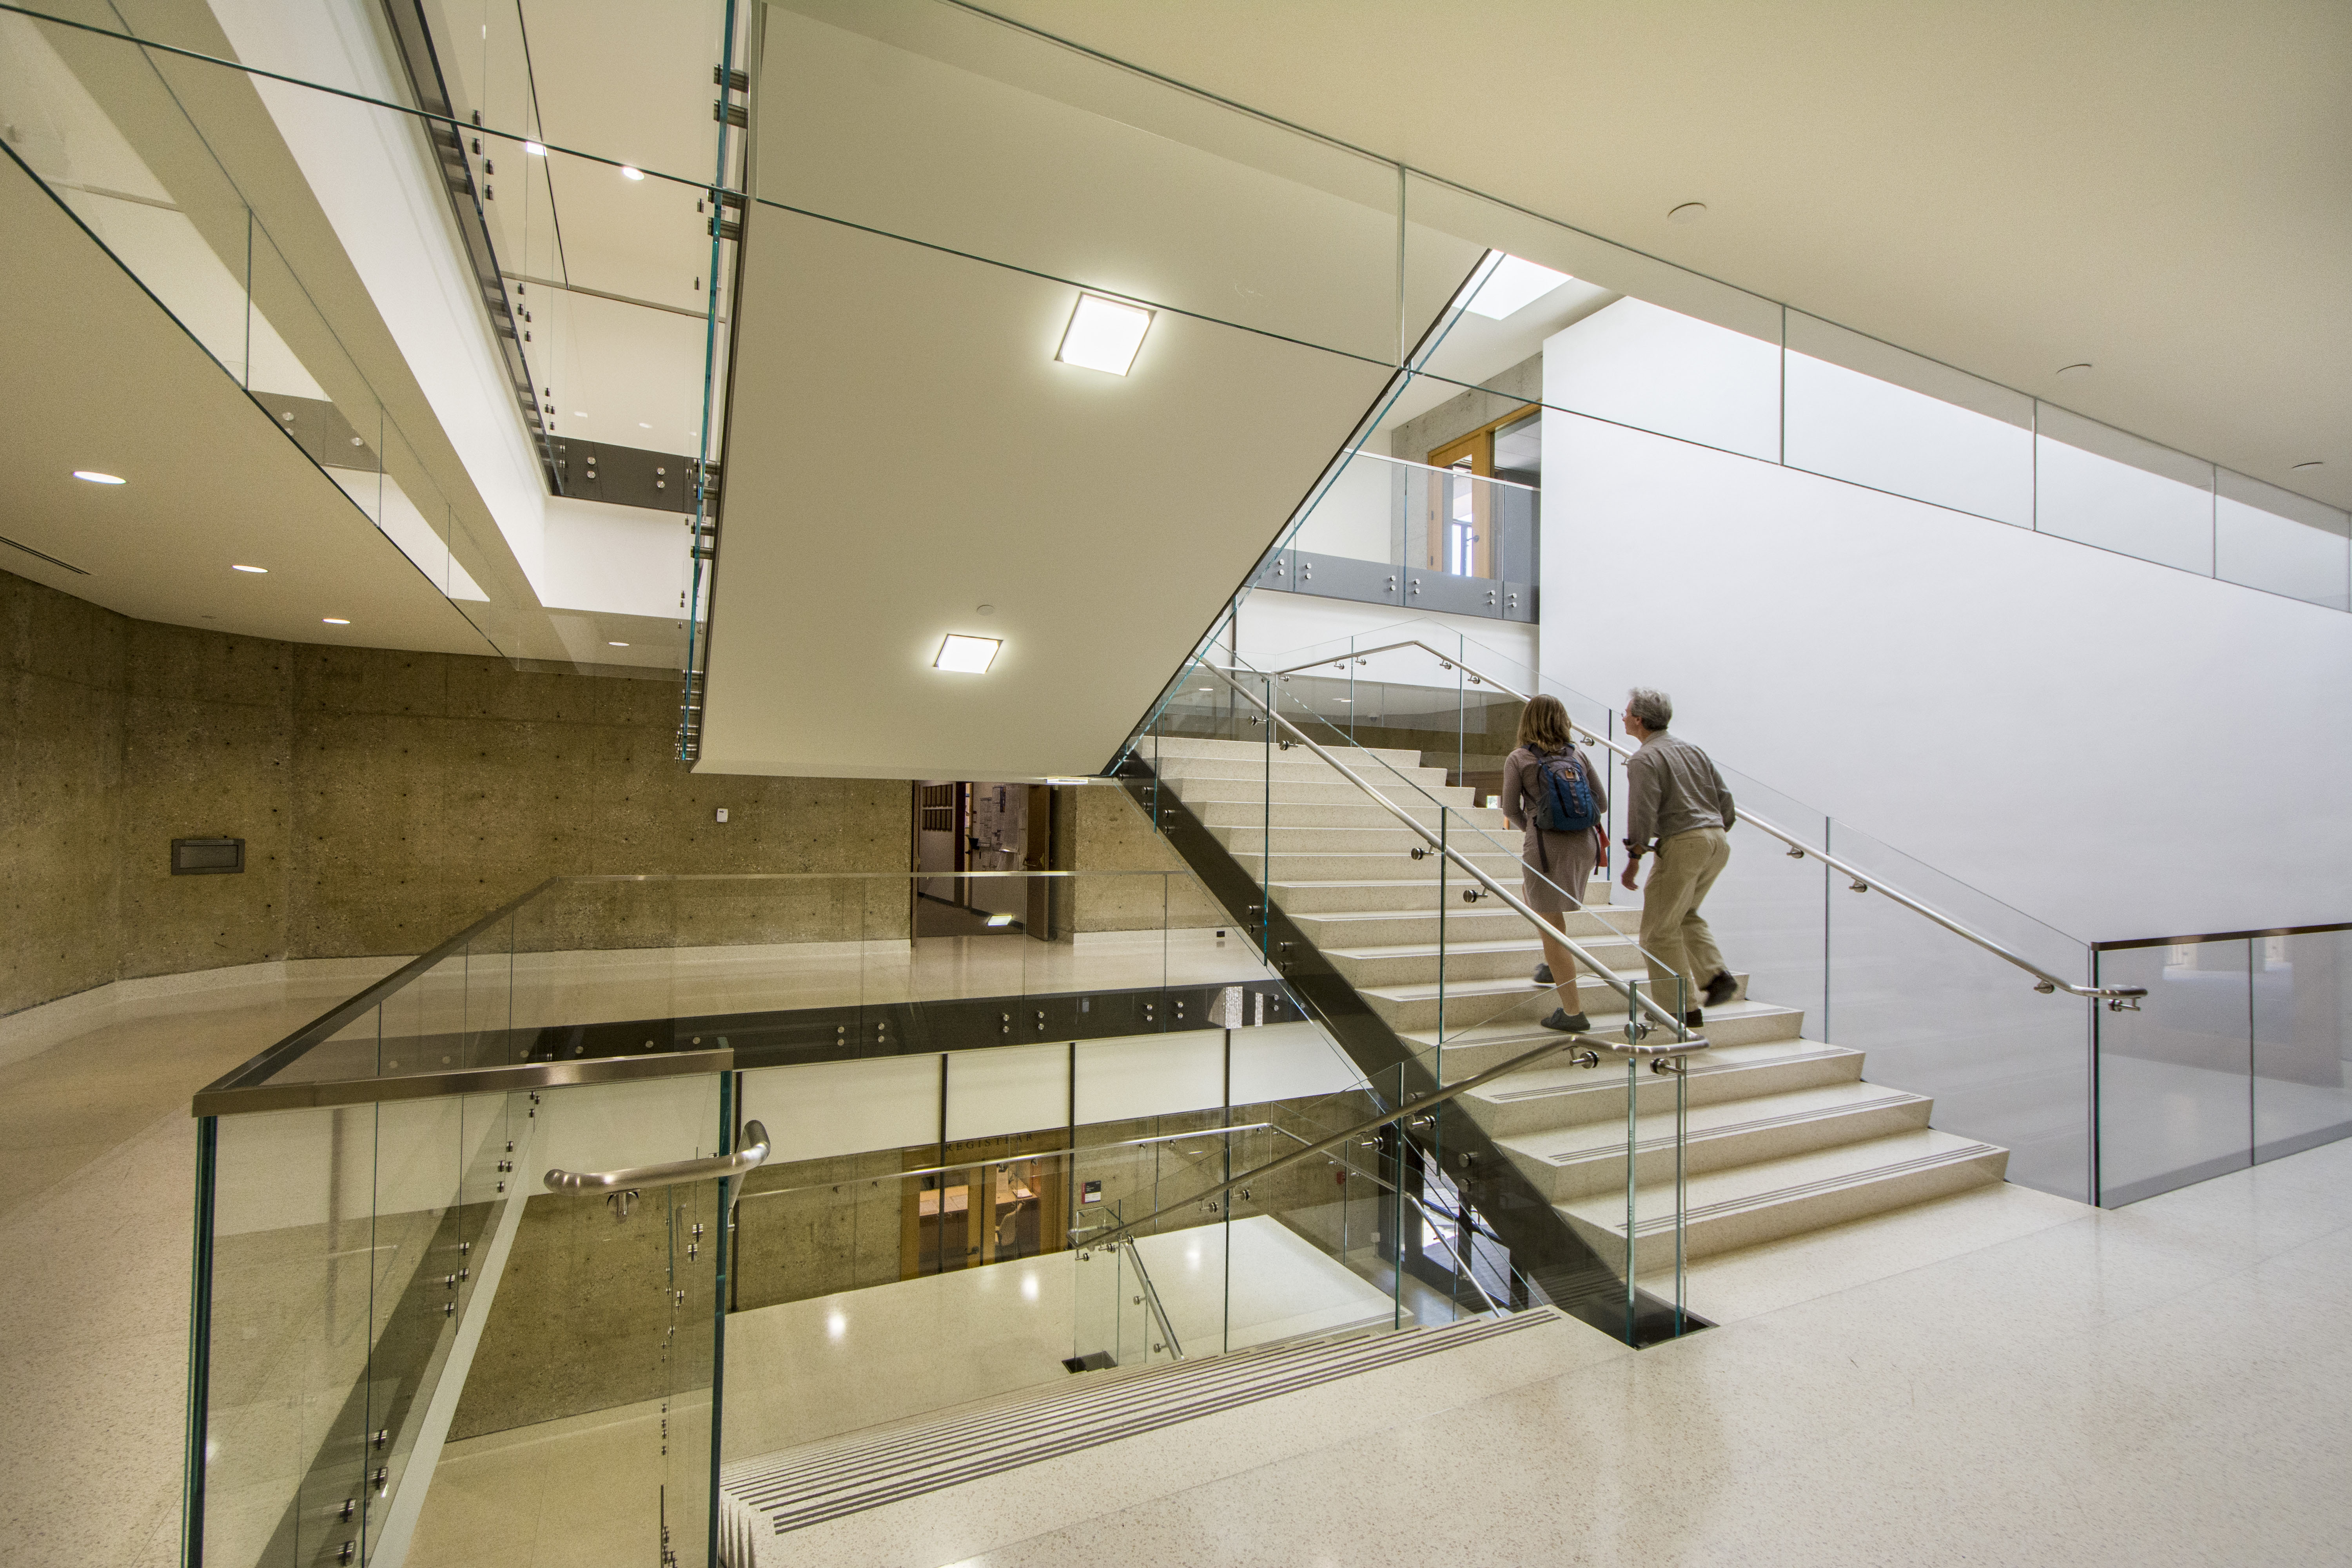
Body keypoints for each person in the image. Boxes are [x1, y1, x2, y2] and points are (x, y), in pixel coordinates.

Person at [1618, 687, 1740, 1028]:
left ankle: (1679, 1010)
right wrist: (1711, 832)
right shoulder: (1692, 750)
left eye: (1627, 712)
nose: (1623, 716)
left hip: (1684, 842)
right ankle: (1716, 976)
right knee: (1684, 914)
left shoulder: (1644, 759)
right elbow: (1725, 800)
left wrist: (1635, 857)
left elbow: (1642, 810)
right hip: (1717, 840)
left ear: (1639, 720)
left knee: (1657, 932)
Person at [1499, 693, 1608, 1033]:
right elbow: (1601, 804)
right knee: (1535, 900)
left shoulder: (1519, 758)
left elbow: (1510, 810)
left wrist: (1535, 826)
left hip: (1546, 849)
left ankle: (1573, 1012)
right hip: (1585, 845)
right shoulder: (1579, 755)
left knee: (1552, 926)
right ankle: (1551, 965)